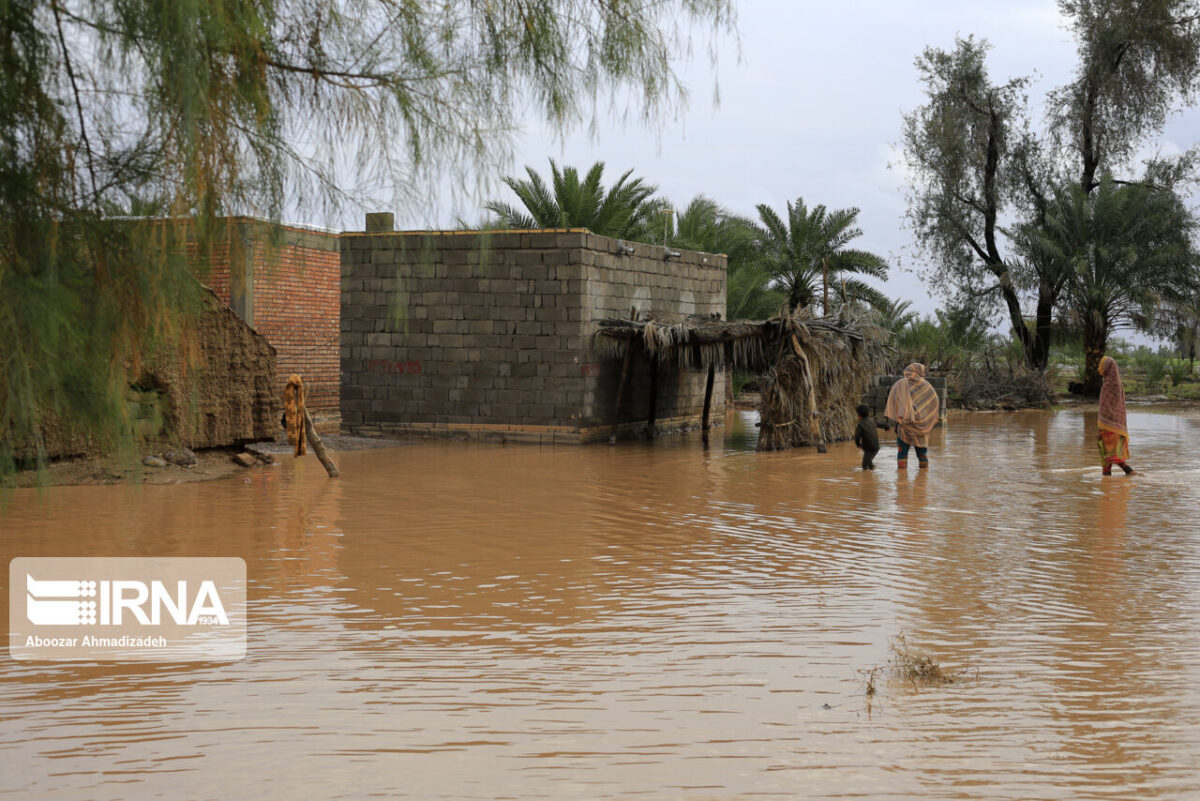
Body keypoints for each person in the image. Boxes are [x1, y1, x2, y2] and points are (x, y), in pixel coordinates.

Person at [884, 362, 939, 469]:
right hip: (922, 429)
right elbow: (934, 401)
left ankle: (901, 482)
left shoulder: (899, 384)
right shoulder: (926, 386)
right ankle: (923, 481)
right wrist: (926, 418)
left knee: (902, 454)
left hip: (904, 427)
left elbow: (892, 401)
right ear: (918, 371)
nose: (923, 373)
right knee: (922, 455)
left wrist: (902, 416)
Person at [1097, 355, 1135, 476]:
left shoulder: (1110, 385)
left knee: (1108, 450)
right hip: (1114, 423)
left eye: (1102, 366)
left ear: (1107, 368)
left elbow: (1108, 406)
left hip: (1108, 424)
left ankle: (1128, 470)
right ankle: (1107, 476)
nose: (1100, 369)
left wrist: (1104, 421)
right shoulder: (1114, 383)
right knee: (1105, 449)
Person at [853, 403, 880, 470]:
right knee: (868, 459)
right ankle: (872, 467)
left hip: (868, 448)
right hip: (876, 447)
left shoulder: (860, 424)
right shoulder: (872, 420)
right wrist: (886, 427)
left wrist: (858, 444)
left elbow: (857, 436)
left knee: (864, 465)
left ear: (858, 414)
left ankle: (866, 478)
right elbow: (880, 424)